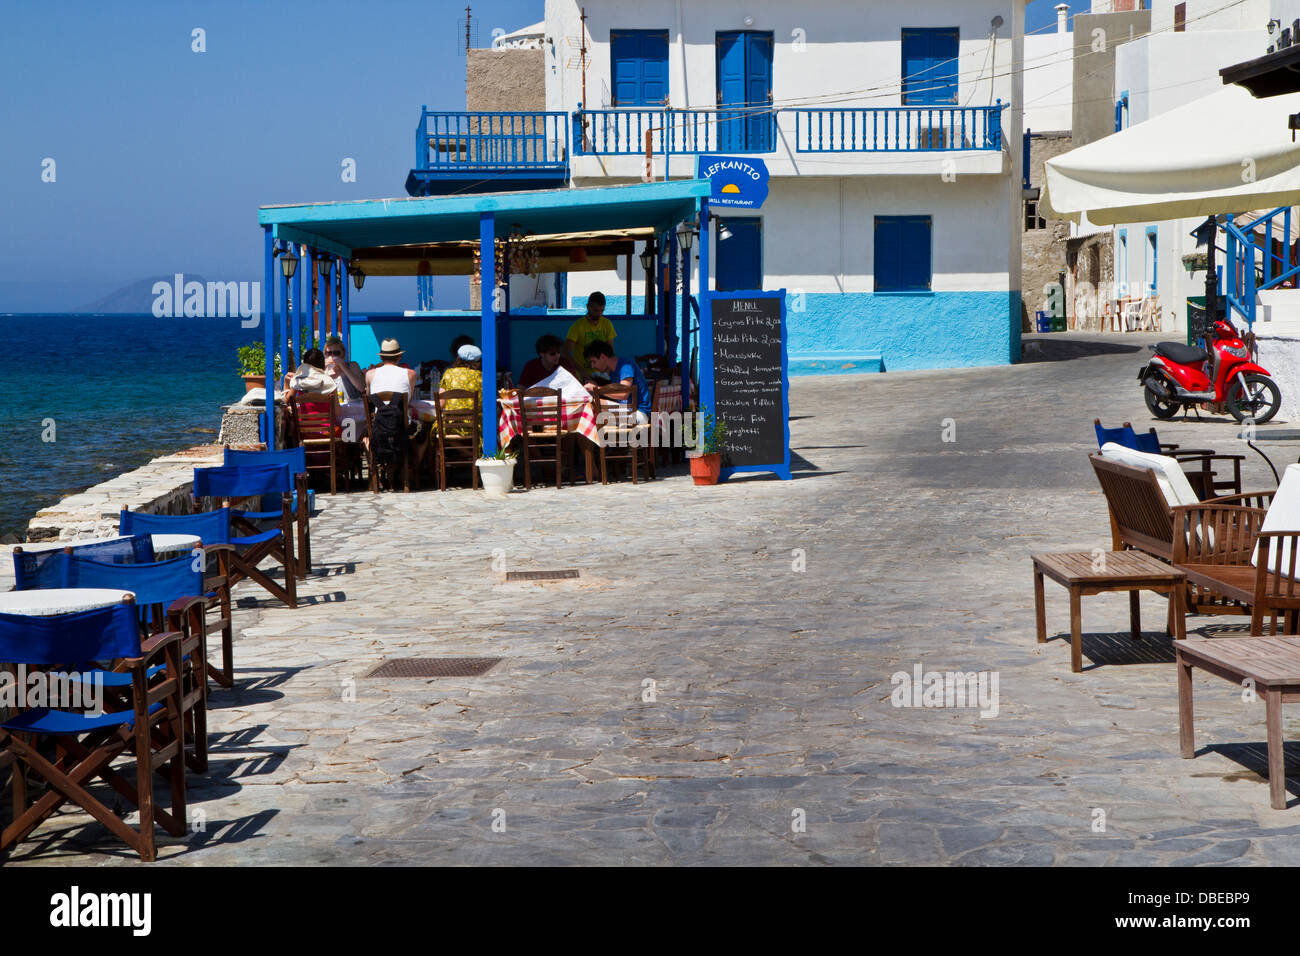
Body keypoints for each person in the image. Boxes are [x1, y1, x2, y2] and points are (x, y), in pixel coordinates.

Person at [584, 341, 650, 424]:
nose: (592, 366)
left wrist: (596, 388)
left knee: (594, 403)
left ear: (603, 357)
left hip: (639, 414)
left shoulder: (625, 365)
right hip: (628, 411)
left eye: (593, 361)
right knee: (592, 407)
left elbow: (623, 394)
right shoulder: (613, 371)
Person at [565, 292, 616, 381]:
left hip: (602, 375)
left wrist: (607, 371)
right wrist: (581, 371)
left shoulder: (607, 324)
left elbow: (610, 352)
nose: (599, 314)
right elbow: (565, 352)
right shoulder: (577, 326)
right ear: (588, 307)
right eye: (596, 311)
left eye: (602, 311)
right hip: (583, 376)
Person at [438, 344, 483, 439]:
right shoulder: (481, 377)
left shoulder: (448, 374)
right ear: (478, 362)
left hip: (449, 427)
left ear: (458, 358)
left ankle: (461, 451)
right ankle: (470, 452)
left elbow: (440, 404)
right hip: (475, 427)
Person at [323, 335, 366, 402]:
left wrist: (344, 368)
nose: (332, 356)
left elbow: (362, 388)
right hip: (333, 409)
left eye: (336, 353)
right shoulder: (324, 369)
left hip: (353, 408)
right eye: (329, 353)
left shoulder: (352, 366)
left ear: (343, 353)